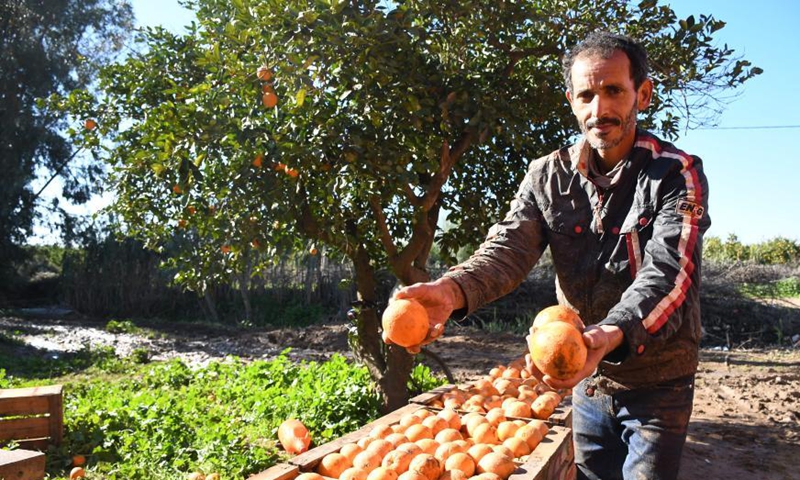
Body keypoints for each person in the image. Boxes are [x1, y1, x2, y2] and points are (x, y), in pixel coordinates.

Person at [388, 31, 710, 480]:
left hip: (658, 381)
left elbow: (670, 274)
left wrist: (609, 334)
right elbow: (508, 249)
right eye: (586, 96)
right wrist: (453, 289)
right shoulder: (547, 175)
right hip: (584, 375)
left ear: (642, 94)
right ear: (571, 101)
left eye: (613, 91)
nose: (599, 110)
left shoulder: (675, 174)